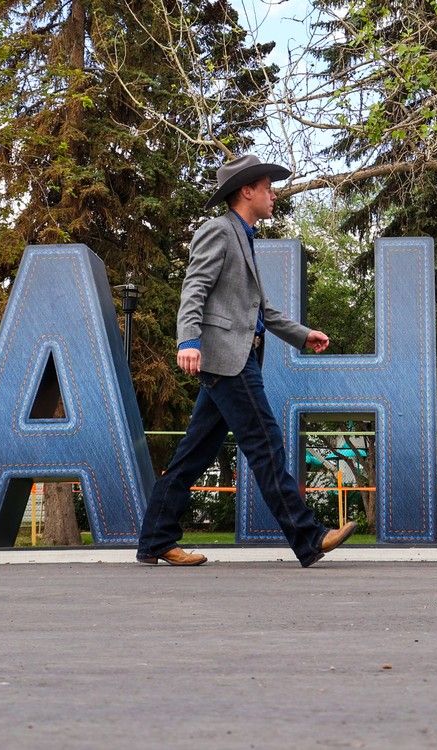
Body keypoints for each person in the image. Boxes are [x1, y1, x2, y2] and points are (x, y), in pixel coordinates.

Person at [136, 155, 357, 567]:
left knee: (194, 454)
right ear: (247, 191)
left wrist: (301, 334)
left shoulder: (245, 237)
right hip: (229, 359)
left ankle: (155, 540)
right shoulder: (219, 231)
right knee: (265, 443)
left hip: (235, 358)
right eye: (268, 188)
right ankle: (309, 536)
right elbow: (194, 287)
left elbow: (261, 310)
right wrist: (188, 340)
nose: (274, 195)